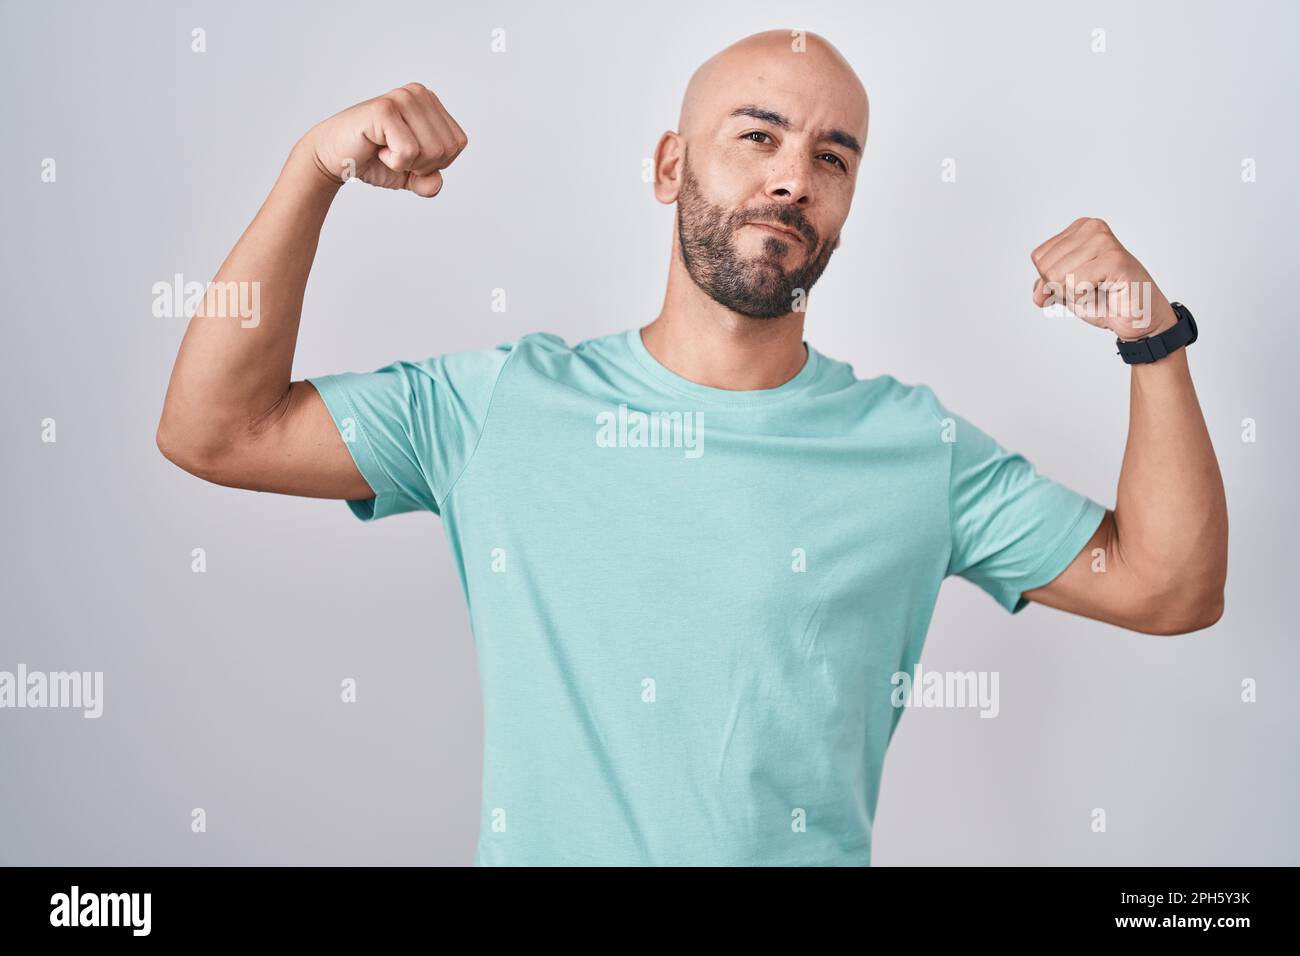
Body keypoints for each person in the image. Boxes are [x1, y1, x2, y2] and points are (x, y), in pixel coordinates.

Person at [156, 29, 1228, 865]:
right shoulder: (502, 406)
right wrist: (313, 169)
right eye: (757, 136)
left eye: (831, 157)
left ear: (849, 202)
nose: (792, 178)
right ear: (671, 164)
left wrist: (1151, 333)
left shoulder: (913, 448)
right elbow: (217, 429)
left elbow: (1168, 586)